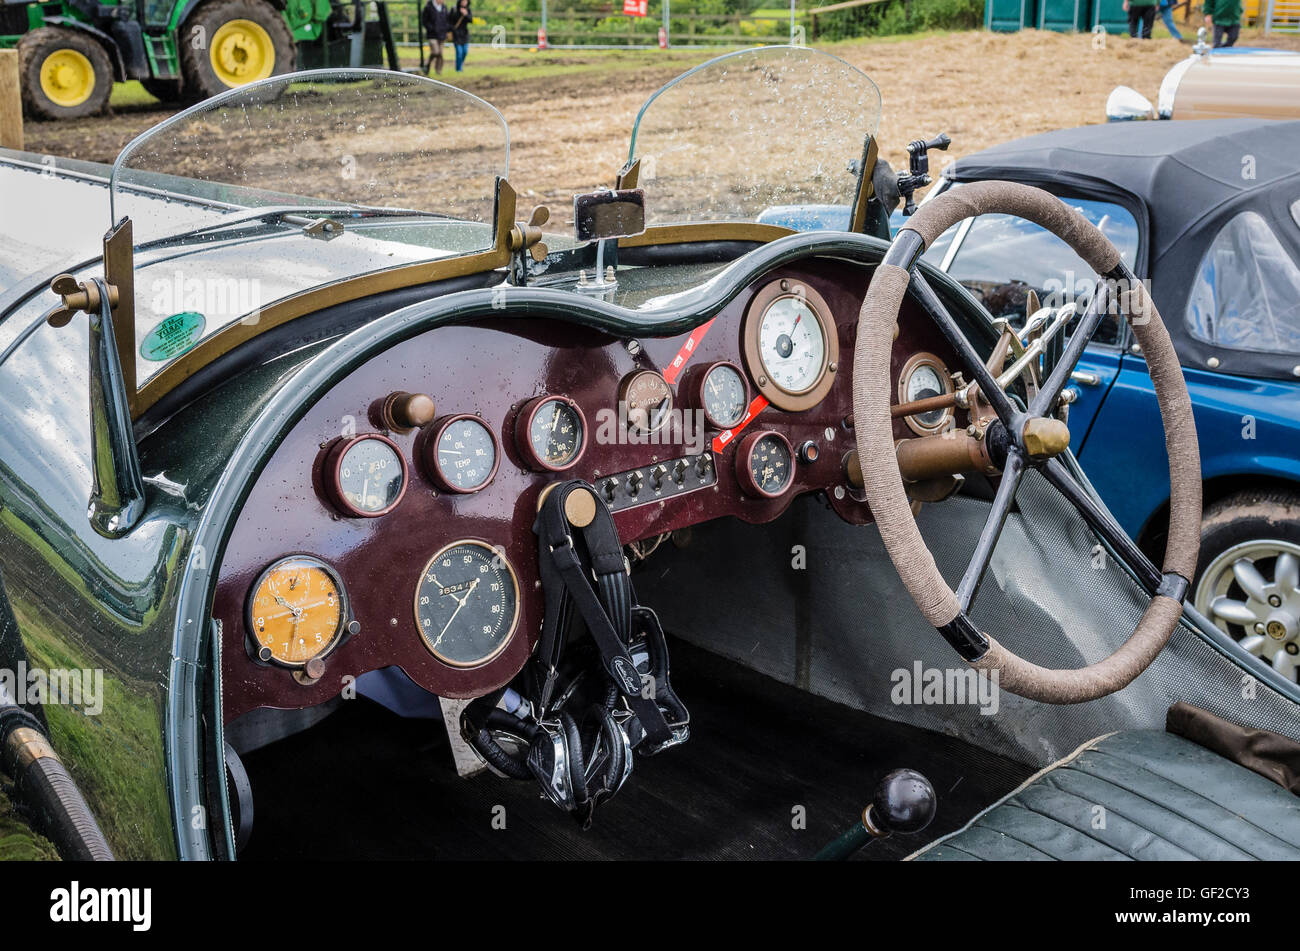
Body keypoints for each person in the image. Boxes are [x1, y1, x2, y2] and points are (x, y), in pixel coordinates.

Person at [422, 0, 451, 75]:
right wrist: (431, 28)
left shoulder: (444, 7)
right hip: (432, 35)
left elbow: (447, 20)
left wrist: (447, 29)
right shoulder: (428, 7)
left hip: (442, 34)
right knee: (435, 51)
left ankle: (438, 70)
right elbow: (424, 20)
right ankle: (427, 63)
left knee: (440, 53)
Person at [451, 0, 472, 72]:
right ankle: (458, 69)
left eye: (465, 1)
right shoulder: (454, 9)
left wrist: (466, 14)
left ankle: (459, 65)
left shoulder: (468, 10)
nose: (464, 2)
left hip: (464, 34)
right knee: (459, 53)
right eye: (463, 1)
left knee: (465, 51)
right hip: (456, 34)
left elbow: (471, 20)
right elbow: (449, 20)